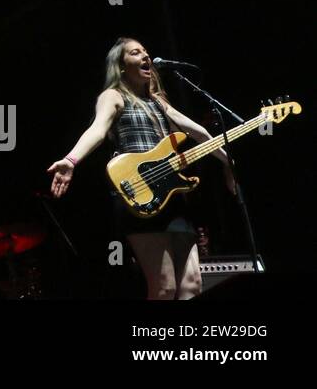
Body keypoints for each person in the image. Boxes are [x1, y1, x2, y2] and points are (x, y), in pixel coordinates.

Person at [46, 37, 236, 299]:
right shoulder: (113, 95)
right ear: (122, 67)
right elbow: (97, 130)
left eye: (146, 51)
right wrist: (70, 161)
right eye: (136, 53)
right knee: (164, 287)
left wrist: (228, 162)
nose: (146, 56)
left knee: (192, 284)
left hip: (172, 196)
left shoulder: (158, 102)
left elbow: (200, 133)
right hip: (140, 193)